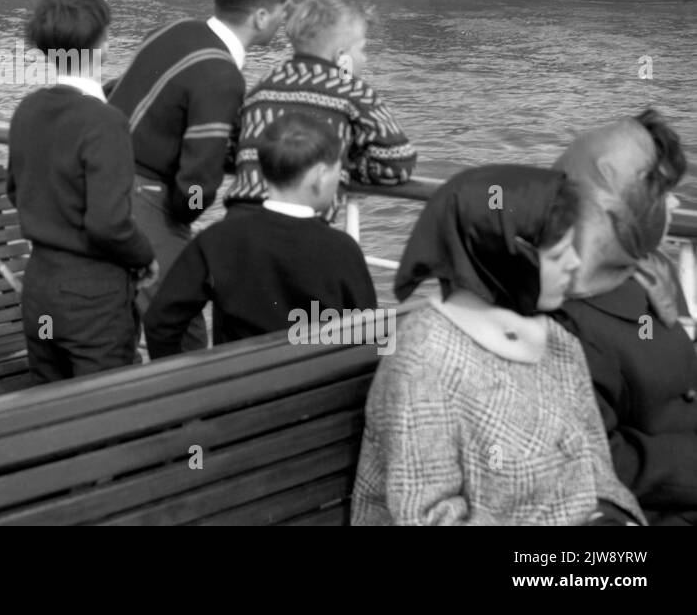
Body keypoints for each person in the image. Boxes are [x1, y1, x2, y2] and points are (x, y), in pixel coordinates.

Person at [353, 165, 645, 526]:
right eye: (558, 255)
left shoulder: (557, 341)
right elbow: (425, 517)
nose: (575, 264)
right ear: (507, 259)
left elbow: (597, 474)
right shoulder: (425, 358)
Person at [107, 0, 292, 352]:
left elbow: (115, 91)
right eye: (283, 10)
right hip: (143, 199)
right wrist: (180, 220)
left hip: (103, 180)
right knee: (180, 326)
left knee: (121, 319)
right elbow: (198, 181)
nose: (285, 20)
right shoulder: (222, 75)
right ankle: (189, 412)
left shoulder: (174, 31)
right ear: (260, 17)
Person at [552, 109, 696, 526]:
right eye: (662, 191)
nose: (674, 202)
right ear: (618, 204)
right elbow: (592, 460)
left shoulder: (645, 274)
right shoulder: (561, 317)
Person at [7, 0, 156, 382]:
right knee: (107, 413)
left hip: (39, 286)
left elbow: (15, 190)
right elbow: (108, 224)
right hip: (93, 300)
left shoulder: (27, 110)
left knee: (51, 407)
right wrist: (144, 256)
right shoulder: (105, 122)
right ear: (102, 44)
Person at [144, 111, 376, 359]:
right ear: (320, 176)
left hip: (240, 385)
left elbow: (161, 320)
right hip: (318, 386)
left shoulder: (218, 239)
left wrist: (179, 379)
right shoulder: (342, 249)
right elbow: (371, 337)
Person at [225, 0, 415, 216]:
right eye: (362, 49)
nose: (365, 59)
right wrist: (343, 166)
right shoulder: (351, 90)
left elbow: (229, 150)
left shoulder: (264, 85)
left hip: (240, 215)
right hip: (302, 226)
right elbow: (397, 162)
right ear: (341, 57)